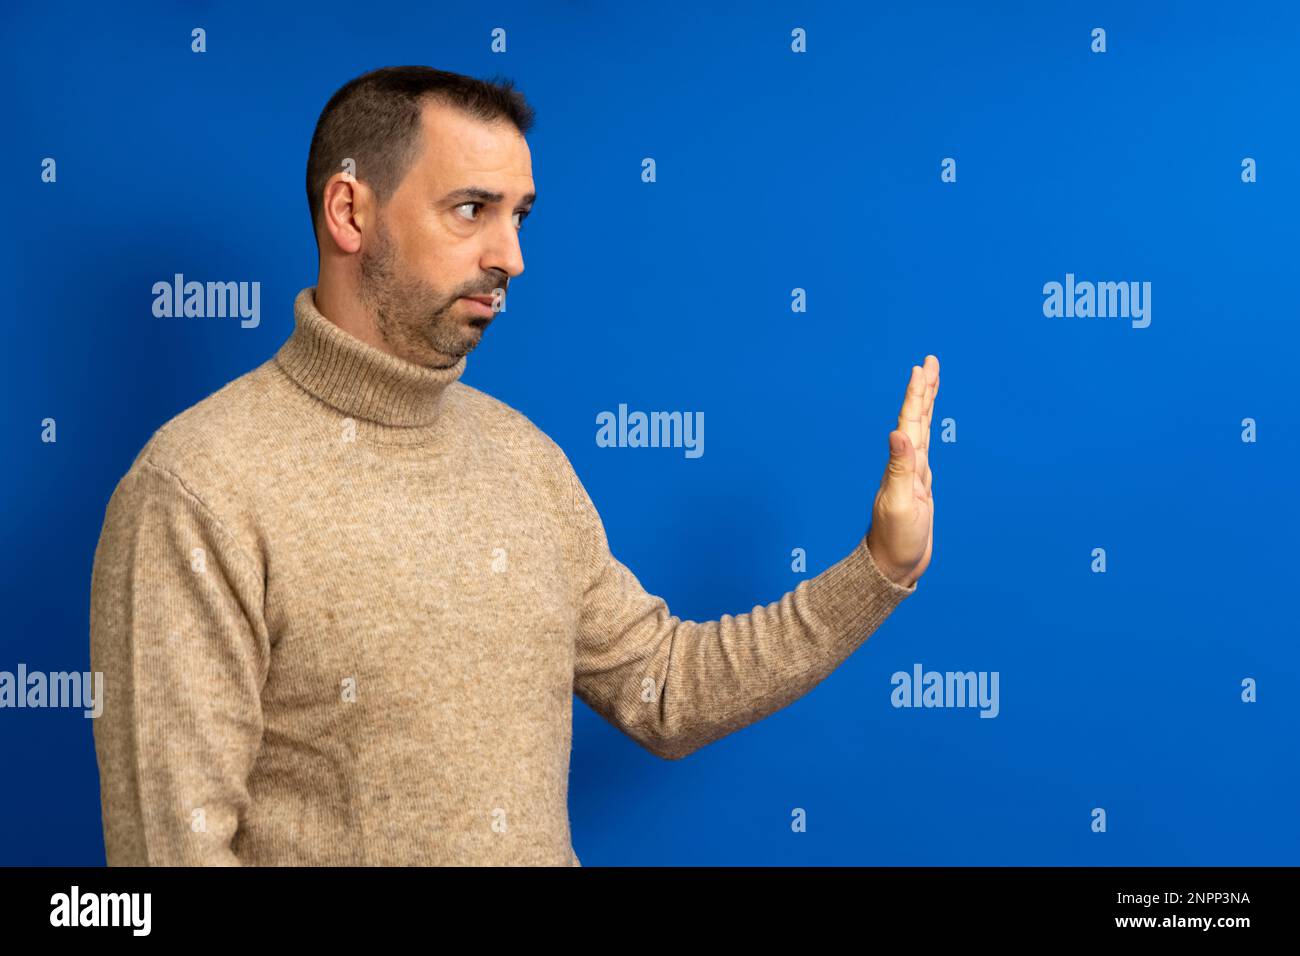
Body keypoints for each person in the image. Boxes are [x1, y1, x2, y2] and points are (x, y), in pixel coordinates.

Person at [89, 65, 940, 866]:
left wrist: (879, 568)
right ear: (349, 212)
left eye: (519, 216)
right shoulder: (196, 487)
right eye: (471, 210)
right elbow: (172, 855)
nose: (511, 256)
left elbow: (666, 690)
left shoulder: (524, 459)